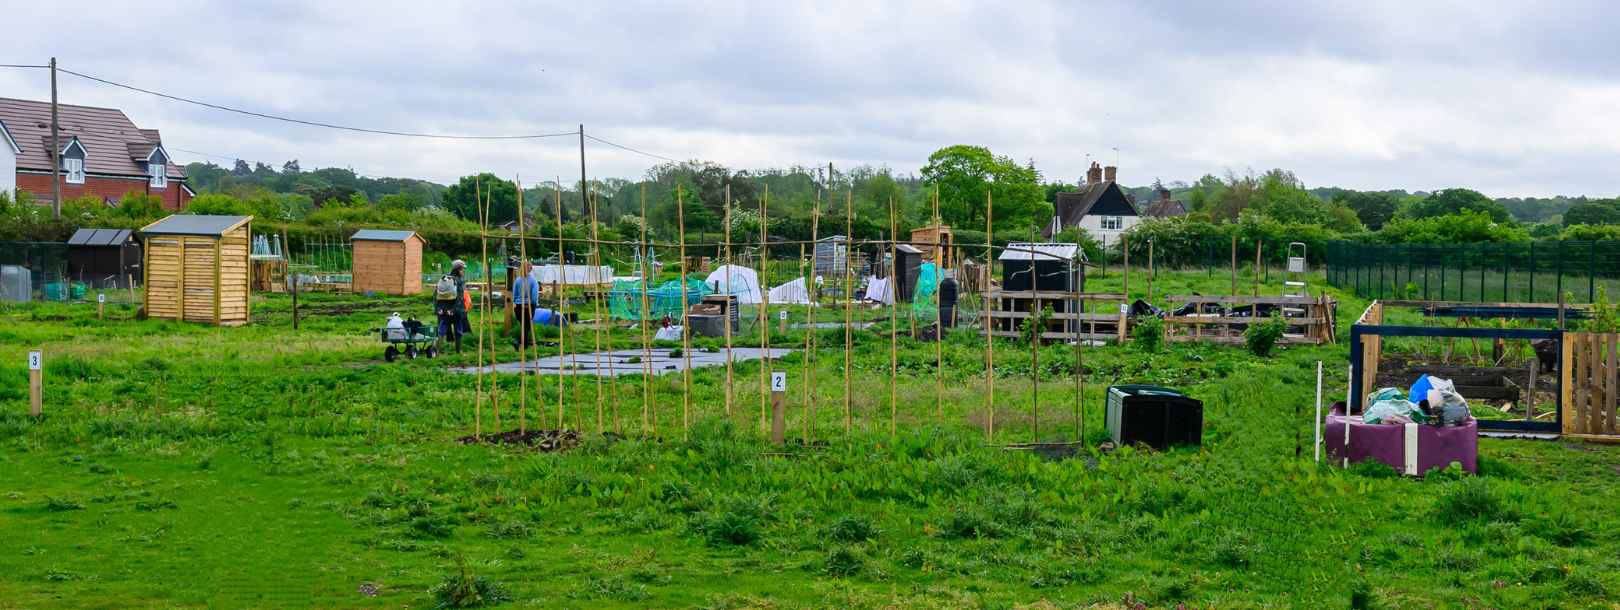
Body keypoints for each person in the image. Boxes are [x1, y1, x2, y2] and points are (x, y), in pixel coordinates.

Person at [434, 260, 471, 353]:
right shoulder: (461, 280)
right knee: (458, 329)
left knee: (442, 329)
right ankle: (458, 352)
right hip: (456, 310)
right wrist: (454, 310)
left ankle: (435, 351)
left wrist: (438, 308)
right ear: (461, 269)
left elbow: (435, 295)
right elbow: (459, 297)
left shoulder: (444, 278)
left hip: (443, 309)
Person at [511, 260, 539, 350]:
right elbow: (534, 295)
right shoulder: (533, 281)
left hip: (518, 307)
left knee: (524, 325)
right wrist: (535, 304)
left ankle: (525, 346)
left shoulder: (518, 280)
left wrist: (515, 302)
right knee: (527, 326)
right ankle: (517, 341)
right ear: (530, 269)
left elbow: (514, 294)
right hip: (528, 306)